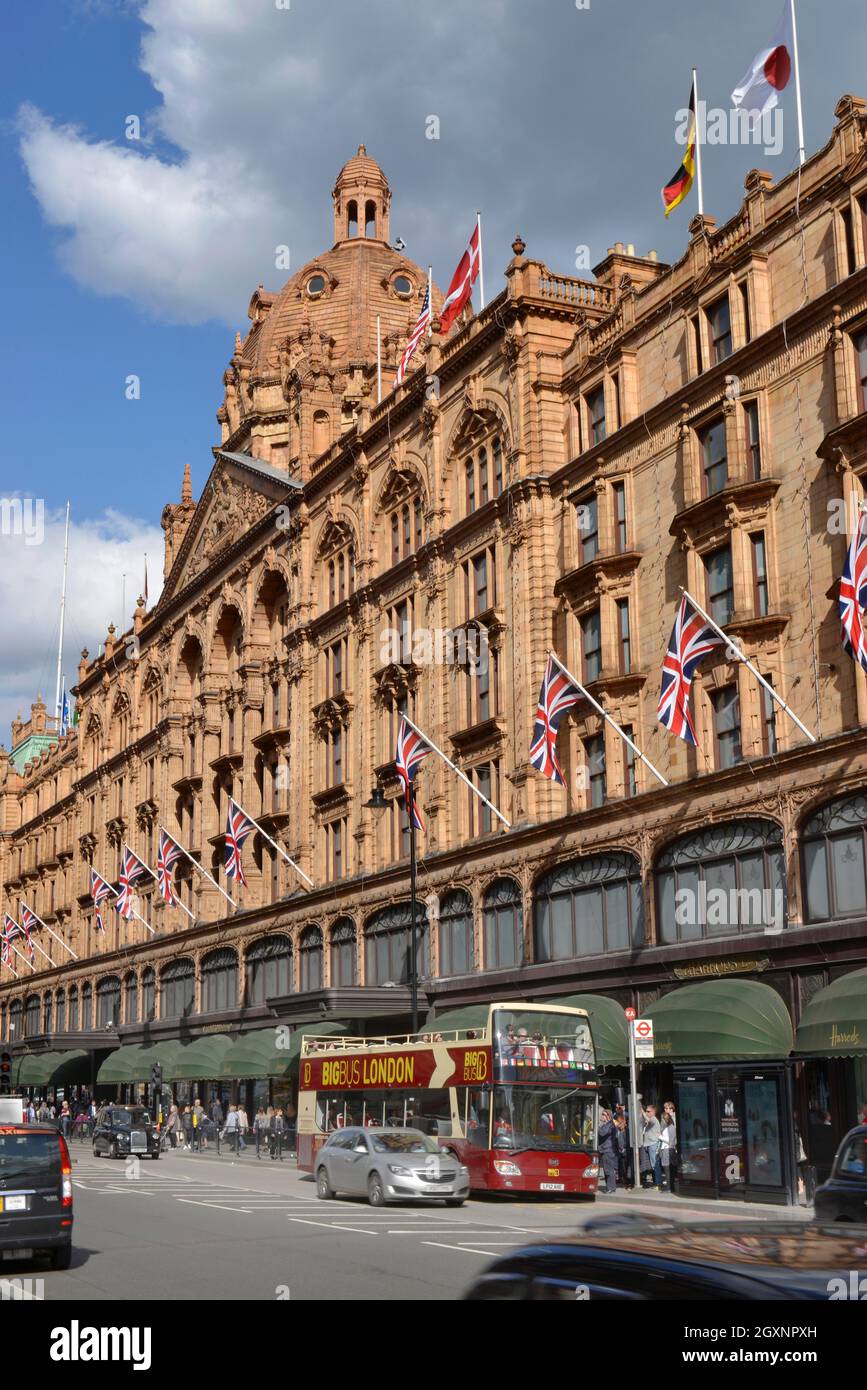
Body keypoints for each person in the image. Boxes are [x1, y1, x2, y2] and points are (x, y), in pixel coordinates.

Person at [640, 1103, 663, 1190]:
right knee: (651, 1165)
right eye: (646, 1111)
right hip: (647, 1145)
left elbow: (649, 1120)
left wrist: (642, 1111)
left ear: (653, 1112)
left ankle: (659, 1184)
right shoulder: (649, 1120)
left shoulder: (653, 1119)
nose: (646, 1113)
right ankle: (656, 1182)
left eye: (648, 1111)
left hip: (653, 1144)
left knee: (655, 1165)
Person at [597, 1109, 619, 1193]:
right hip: (604, 1149)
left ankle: (611, 1188)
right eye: (602, 1114)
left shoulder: (610, 1125)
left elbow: (602, 1133)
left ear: (608, 1116)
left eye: (603, 1114)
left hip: (608, 1150)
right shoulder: (605, 1124)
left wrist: (597, 1127)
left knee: (609, 1170)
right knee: (606, 1170)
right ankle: (609, 1187)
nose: (602, 1116)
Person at [659, 1102, 677, 1191]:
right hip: (669, 1147)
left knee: (668, 1167)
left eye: (667, 1108)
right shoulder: (667, 1123)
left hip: (670, 1147)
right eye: (665, 1108)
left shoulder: (672, 1122)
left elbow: (670, 1138)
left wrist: (660, 1137)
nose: (665, 1110)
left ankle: (670, 1187)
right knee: (669, 1167)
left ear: (671, 1109)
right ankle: (670, 1186)